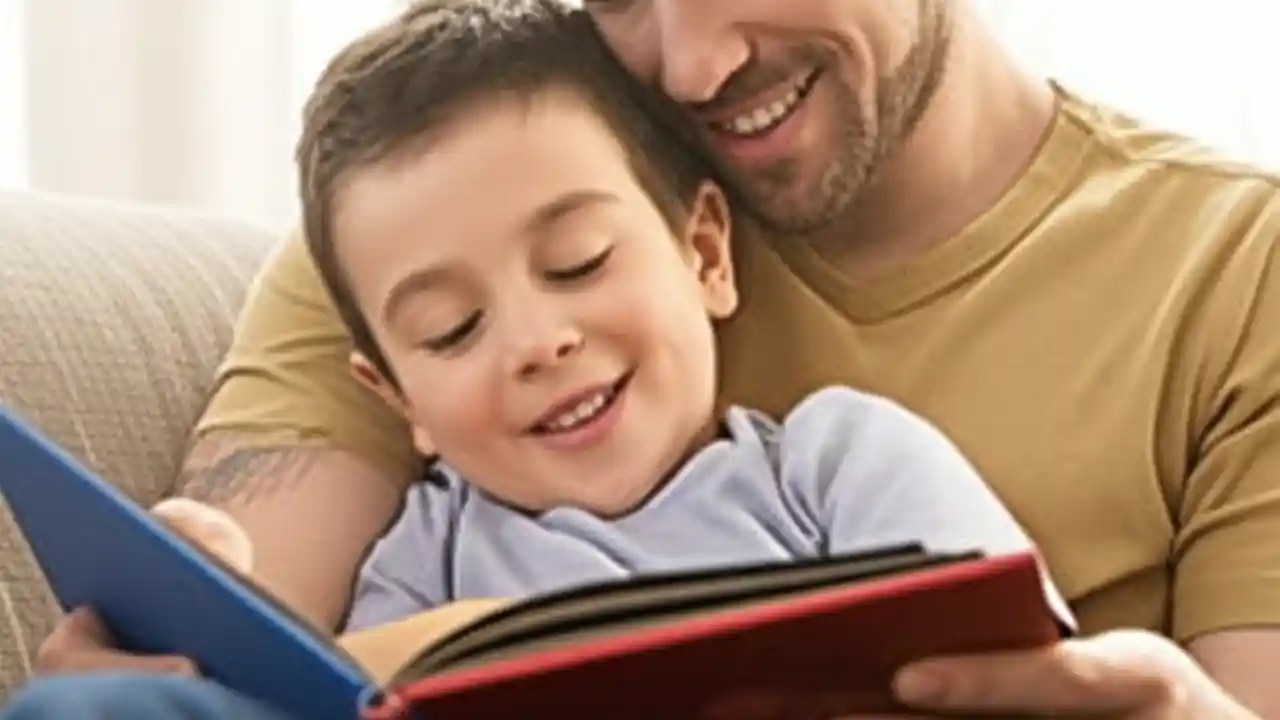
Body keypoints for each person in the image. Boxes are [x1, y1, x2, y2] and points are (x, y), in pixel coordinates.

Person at [28, 0, 1280, 717]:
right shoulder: (461, 158)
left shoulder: (1237, 264)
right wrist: (152, 647)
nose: (691, 65)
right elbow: (266, 675)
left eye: (578, 263)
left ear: (703, 252)